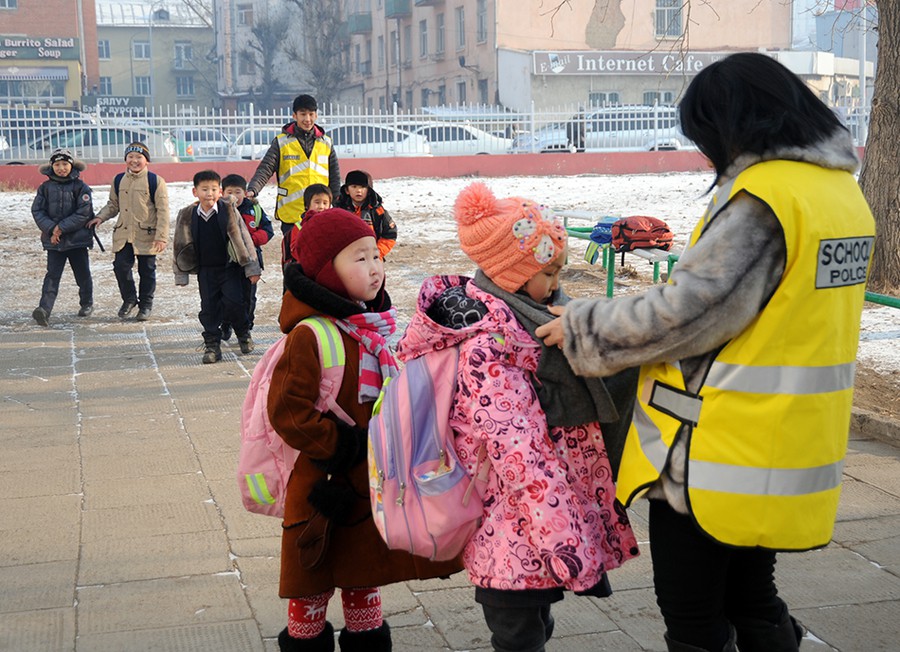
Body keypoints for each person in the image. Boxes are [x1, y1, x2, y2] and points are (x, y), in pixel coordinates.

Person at [536, 52, 876, 652]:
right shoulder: (836, 195)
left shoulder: (765, 200)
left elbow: (690, 313)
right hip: (787, 441)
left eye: (705, 137)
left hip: (714, 449)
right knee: (753, 598)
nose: (705, 153)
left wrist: (587, 325)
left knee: (694, 616)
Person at [396, 181, 640, 652]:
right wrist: (565, 538)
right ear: (511, 274)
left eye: (560, 270)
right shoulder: (491, 342)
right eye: (549, 272)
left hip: (539, 513)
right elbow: (517, 448)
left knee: (536, 621)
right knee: (517, 630)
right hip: (508, 514)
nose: (558, 284)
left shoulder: (536, 315)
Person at [268, 207, 462, 651]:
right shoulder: (310, 335)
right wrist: (341, 444)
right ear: (326, 272)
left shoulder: (373, 329)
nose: (375, 268)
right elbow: (287, 411)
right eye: (359, 258)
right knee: (312, 580)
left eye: (376, 256)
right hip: (323, 483)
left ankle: (367, 641)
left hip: (367, 482)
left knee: (362, 575)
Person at [172, 170, 261, 364]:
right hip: (205, 270)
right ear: (195, 192)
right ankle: (212, 345)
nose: (209, 193)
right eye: (204, 189)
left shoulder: (229, 210)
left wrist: (252, 268)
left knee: (235, 303)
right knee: (209, 308)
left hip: (229, 268)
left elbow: (245, 238)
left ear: (220, 191)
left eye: (213, 189)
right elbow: (179, 244)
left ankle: (243, 334)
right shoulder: (187, 214)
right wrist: (181, 274)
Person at [247, 94, 341, 270]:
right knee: (294, 262)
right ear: (294, 116)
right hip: (292, 216)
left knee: (320, 262)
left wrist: (336, 204)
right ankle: (291, 296)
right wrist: (253, 189)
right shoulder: (282, 142)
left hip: (320, 213)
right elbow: (265, 168)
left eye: (311, 114)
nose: (308, 119)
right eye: (303, 114)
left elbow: (335, 176)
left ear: (316, 115)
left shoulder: (326, 142)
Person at [87, 141, 170, 322]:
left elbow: (163, 211)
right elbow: (113, 205)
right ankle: (130, 299)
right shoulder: (118, 180)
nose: (134, 161)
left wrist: (162, 237)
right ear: (126, 159)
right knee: (120, 267)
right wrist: (100, 217)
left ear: (146, 160)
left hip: (147, 235)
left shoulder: (155, 181)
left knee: (147, 270)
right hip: (124, 234)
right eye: (130, 157)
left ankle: (146, 305)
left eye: (139, 157)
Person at [30, 148, 95, 326]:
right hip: (54, 241)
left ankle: (86, 303)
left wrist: (61, 227)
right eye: (57, 164)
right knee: (52, 275)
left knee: (82, 274)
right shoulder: (45, 188)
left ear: (71, 165)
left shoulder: (81, 187)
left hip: (77, 240)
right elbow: (37, 211)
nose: (61, 168)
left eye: (65, 164)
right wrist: (52, 229)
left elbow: (83, 213)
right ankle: (44, 309)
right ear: (52, 166)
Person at [221, 173, 274, 337]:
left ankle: (246, 326)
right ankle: (226, 324)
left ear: (245, 193)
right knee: (227, 296)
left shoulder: (254, 209)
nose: (234, 196)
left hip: (251, 262)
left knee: (248, 296)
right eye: (229, 192)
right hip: (227, 262)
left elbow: (268, 230)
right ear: (222, 193)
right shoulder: (220, 210)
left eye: (238, 192)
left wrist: (251, 240)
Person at [334, 170, 398, 258]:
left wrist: (377, 254)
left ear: (369, 190)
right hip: (346, 257)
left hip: (371, 258)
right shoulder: (339, 210)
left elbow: (390, 233)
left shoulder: (377, 211)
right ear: (347, 190)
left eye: (363, 187)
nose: (358, 190)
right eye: (354, 186)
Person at [286, 183, 334, 268]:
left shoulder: (333, 225)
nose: (321, 207)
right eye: (317, 202)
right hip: (306, 267)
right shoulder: (299, 227)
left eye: (325, 203)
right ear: (307, 205)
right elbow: (295, 251)